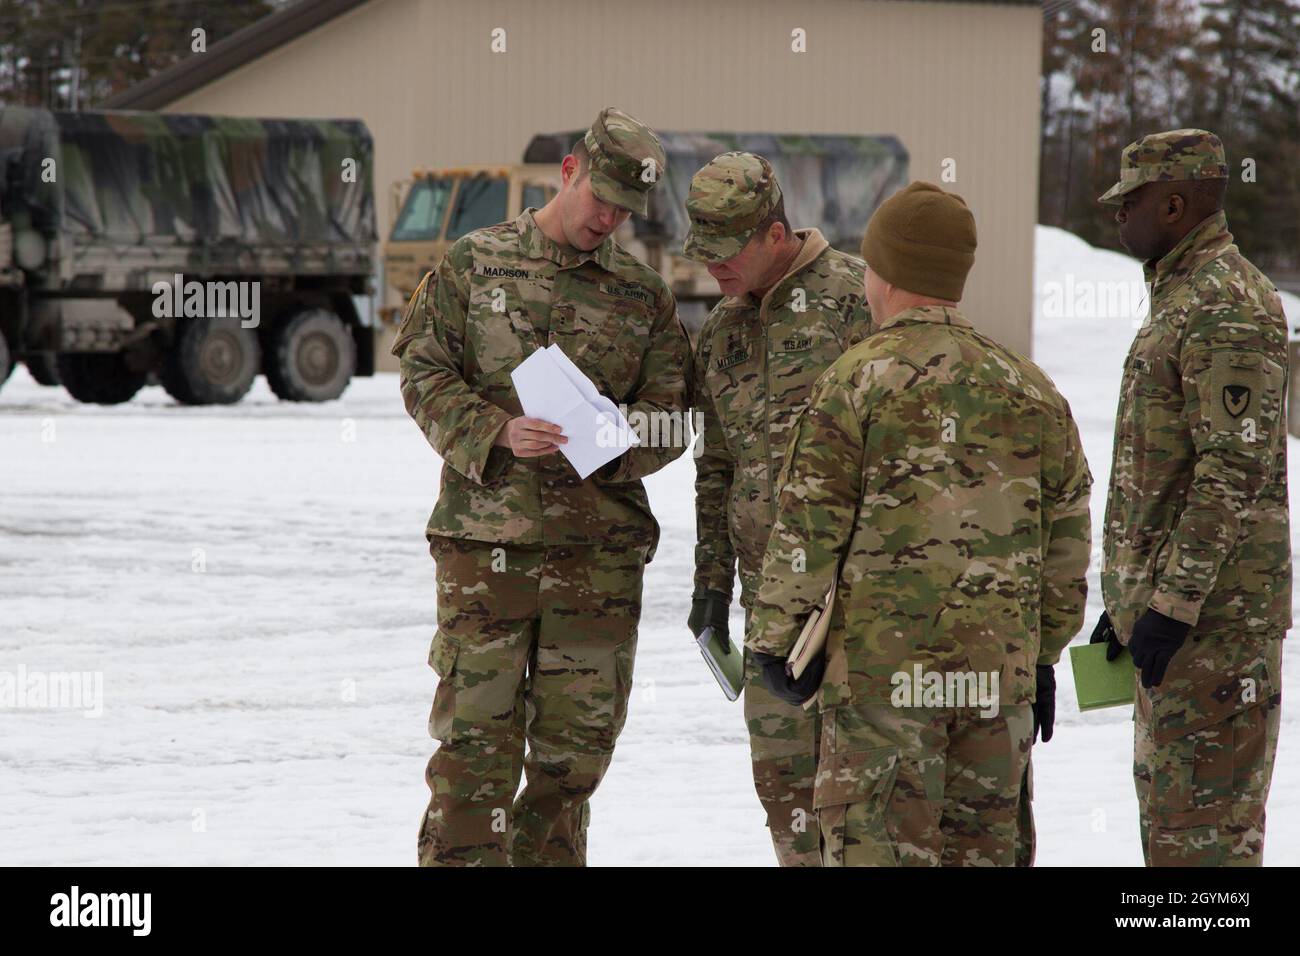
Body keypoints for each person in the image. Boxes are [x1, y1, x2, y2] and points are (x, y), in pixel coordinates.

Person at [747, 181, 1092, 866]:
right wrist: (1041, 656)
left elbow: (808, 532)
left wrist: (775, 642)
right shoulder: (1032, 389)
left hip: (882, 698)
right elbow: (1067, 548)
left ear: (883, 273)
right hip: (995, 694)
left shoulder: (853, 383)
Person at [394, 107, 692, 866]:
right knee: (474, 750)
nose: (608, 219)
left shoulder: (642, 296)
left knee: (572, 761)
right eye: (601, 199)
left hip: (597, 561)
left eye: (625, 211)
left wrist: (613, 440)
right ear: (569, 171)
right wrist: (494, 430)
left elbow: (673, 417)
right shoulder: (475, 263)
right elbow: (423, 370)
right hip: (485, 552)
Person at [1092, 128, 1289, 866]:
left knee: (1205, 849)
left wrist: (1171, 605)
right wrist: (1129, 603)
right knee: (1174, 836)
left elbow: (1231, 471)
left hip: (1214, 631)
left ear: (1175, 205)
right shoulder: (1182, 295)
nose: (1119, 214)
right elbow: (1165, 473)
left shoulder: (1225, 302)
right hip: (1179, 627)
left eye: (1131, 201)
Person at [685, 151, 873, 866]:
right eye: (702, 252)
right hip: (768, 615)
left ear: (773, 233)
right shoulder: (722, 331)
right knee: (788, 804)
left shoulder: (859, 298)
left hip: (860, 614)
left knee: (864, 814)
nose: (712, 268)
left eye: (725, 251)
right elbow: (717, 467)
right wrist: (710, 586)